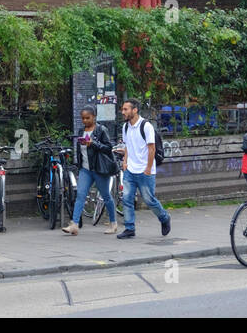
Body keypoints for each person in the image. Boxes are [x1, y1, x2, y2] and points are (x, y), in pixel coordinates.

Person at [115, 99, 170, 239]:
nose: (123, 112)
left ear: (135, 110)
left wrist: (148, 168)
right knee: (127, 199)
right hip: (130, 170)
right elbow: (127, 146)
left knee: (149, 200)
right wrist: (125, 162)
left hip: (145, 171)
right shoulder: (125, 127)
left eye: (126, 109)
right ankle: (129, 228)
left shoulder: (146, 126)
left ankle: (164, 218)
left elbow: (151, 148)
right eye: (123, 109)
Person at [62, 106, 119, 235]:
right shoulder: (81, 130)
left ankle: (113, 223)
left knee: (106, 196)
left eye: (88, 118)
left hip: (99, 169)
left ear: (94, 116)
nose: (85, 120)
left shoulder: (101, 130)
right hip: (85, 169)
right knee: (80, 195)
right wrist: (79, 165)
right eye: (83, 118)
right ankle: (74, 224)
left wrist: (93, 143)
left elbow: (108, 148)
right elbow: (80, 150)